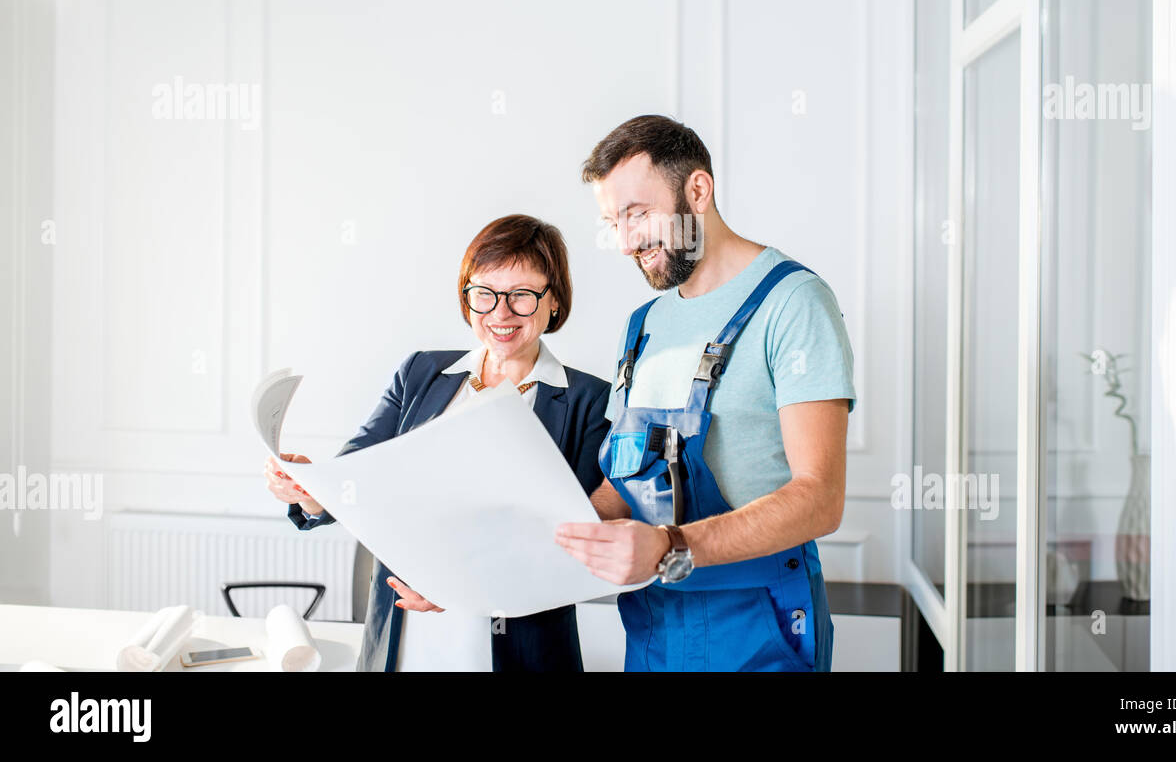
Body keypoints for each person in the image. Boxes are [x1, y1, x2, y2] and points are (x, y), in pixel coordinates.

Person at [555, 114, 855, 671]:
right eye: (612, 222)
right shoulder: (642, 324)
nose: (624, 243)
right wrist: (522, 553)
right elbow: (623, 488)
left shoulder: (793, 304)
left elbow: (821, 497)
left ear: (697, 190)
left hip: (761, 629)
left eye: (637, 214)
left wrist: (671, 546)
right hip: (653, 628)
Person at [265, 214, 610, 671]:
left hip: (521, 639)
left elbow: (579, 539)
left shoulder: (589, 399)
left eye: (522, 296)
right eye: (484, 294)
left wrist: (458, 583)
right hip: (409, 629)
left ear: (554, 302)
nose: (500, 313)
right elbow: (357, 473)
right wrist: (311, 491)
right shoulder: (421, 373)